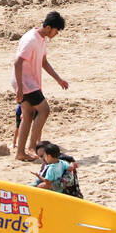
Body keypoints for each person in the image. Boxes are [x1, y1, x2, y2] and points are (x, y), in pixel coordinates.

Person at [12, 11, 69, 162]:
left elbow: (43, 62)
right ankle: (32, 147)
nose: (57, 34)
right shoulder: (31, 39)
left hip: (29, 82)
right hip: (25, 82)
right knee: (44, 110)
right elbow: (17, 62)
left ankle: (20, 152)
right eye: (57, 31)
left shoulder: (41, 39)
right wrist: (19, 88)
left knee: (28, 115)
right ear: (49, 27)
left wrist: (58, 79)